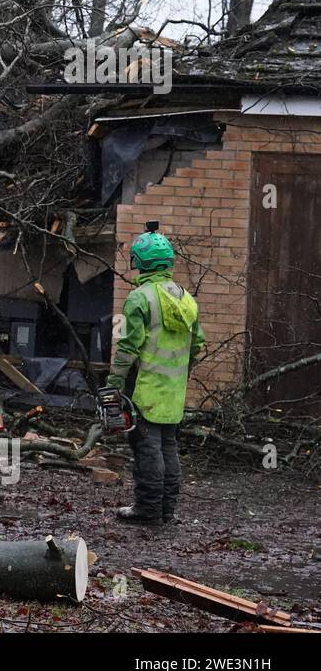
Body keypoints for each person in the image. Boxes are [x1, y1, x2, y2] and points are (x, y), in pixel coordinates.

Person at [107, 223, 205, 525]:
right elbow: (197, 345)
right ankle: (166, 510)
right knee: (168, 448)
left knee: (147, 450)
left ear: (140, 262)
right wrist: (179, 376)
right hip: (173, 392)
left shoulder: (139, 298)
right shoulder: (187, 299)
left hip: (146, 390)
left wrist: (114, 383)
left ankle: (147, 510)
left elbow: (128, 347)